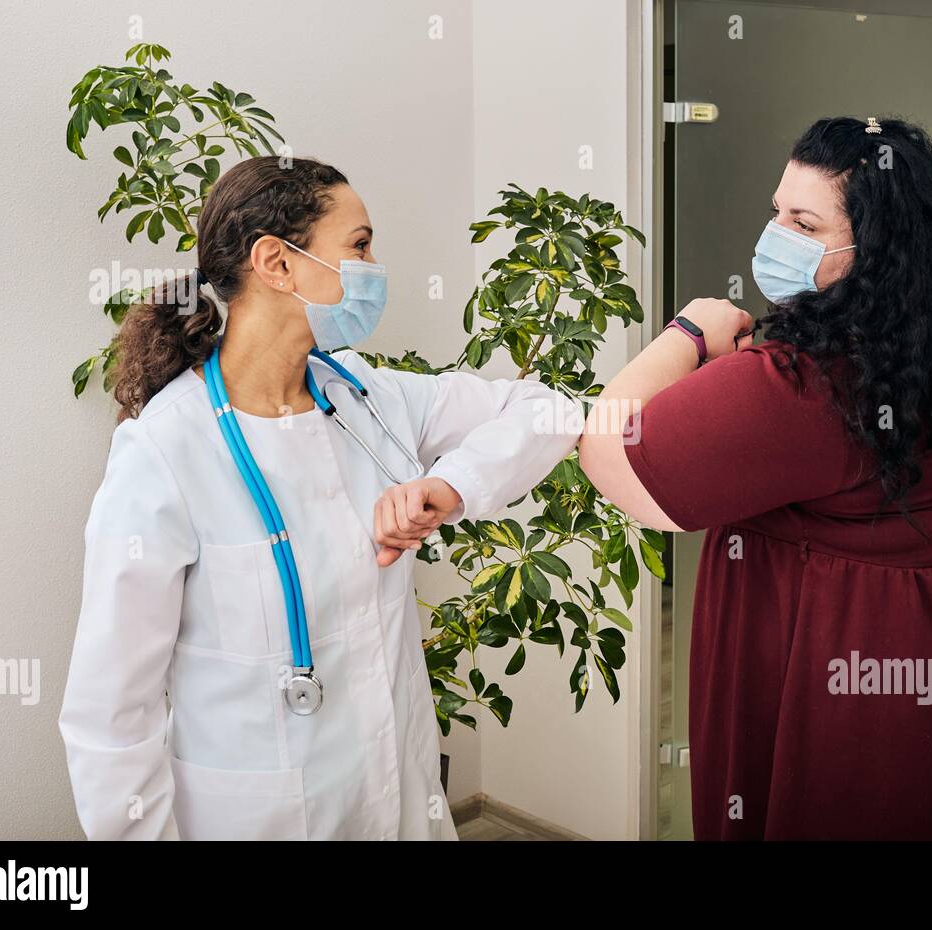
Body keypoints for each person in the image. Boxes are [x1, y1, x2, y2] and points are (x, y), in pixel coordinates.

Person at [58, 155, 578, 840]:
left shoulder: (366, 394)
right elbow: (110, 717)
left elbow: (548, 409)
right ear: (277, 262)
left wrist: (450, 486)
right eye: (358, 245)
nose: (372, 265)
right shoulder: (165, 452)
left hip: (398, 800)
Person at [579, 117, 932, 840]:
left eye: (804, 222)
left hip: (855, 706)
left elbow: (611, 455)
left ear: (881, 250)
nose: (776, 235)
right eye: (777, 213)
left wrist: (687, 333)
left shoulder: (803, 384)